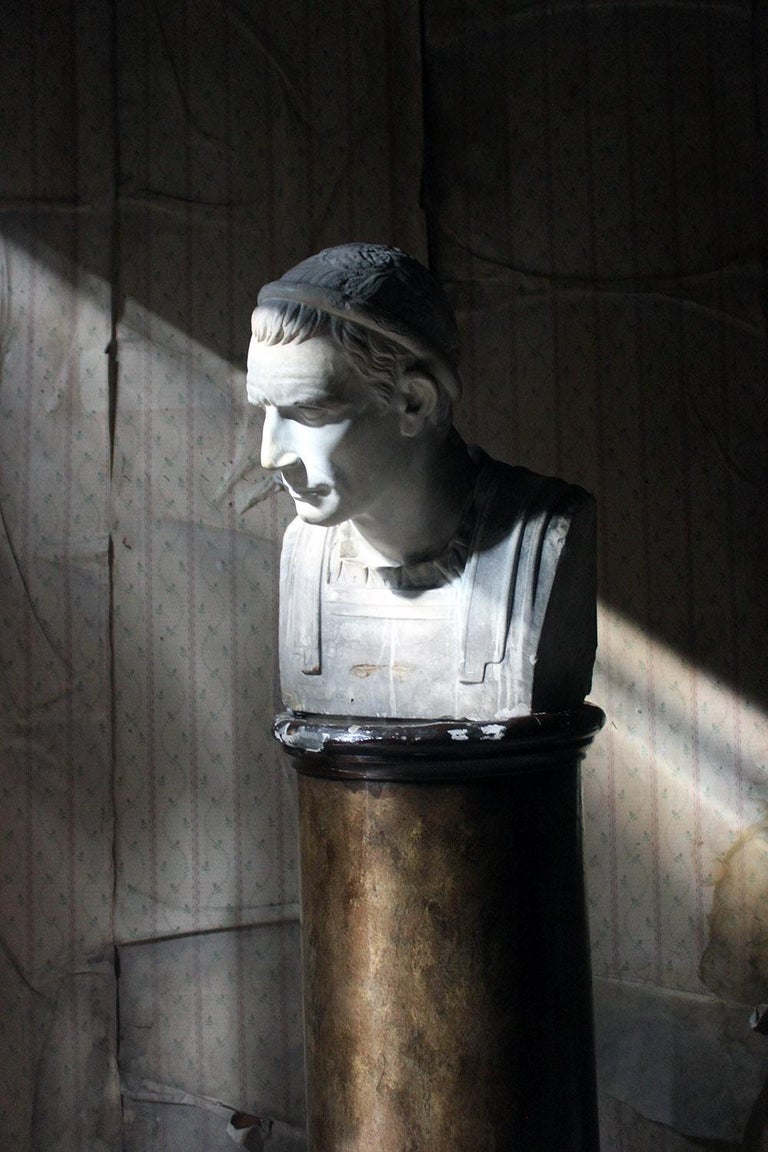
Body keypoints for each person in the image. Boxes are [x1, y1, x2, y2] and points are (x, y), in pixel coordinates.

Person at [247, 243, 596, 721]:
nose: (270, 457)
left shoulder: (542, 536)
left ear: (415, 402)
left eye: (309, 412)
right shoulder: (304, 555)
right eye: (265, 410)